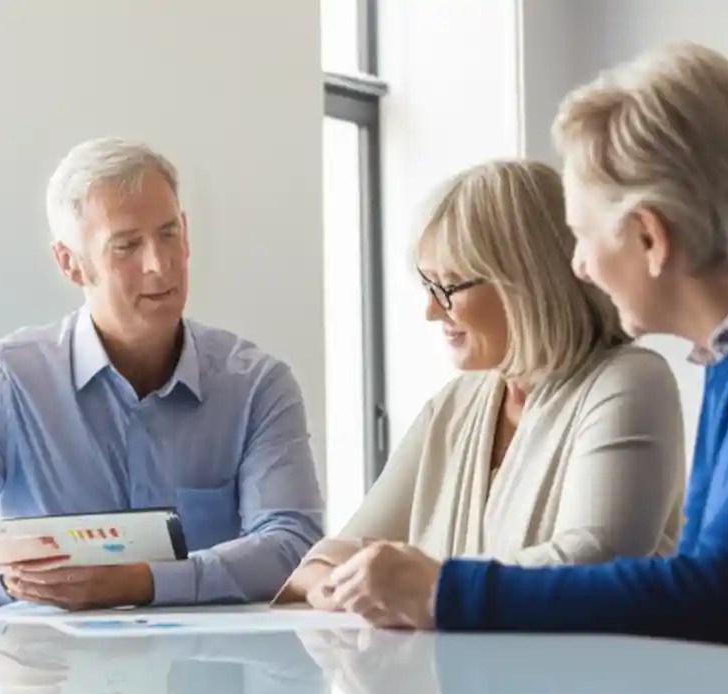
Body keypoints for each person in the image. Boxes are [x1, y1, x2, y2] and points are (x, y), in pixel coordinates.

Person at [322, 44, 728, 667]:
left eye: (582, 237)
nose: (579, 266)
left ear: (649, 237)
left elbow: (715, 595)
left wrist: (445, 592)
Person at [0, 138, 324, 609]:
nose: (159, 263)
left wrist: (142, 583)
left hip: (211, 672)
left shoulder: (257, 386)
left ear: (187, 234)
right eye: (127, 245)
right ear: (70, 262)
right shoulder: (8, 379)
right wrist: (9, 571)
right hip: (54, 673)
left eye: (169, 234)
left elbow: (295, 546)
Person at [275, 160, 685, 607]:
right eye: (428, 284)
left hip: (588, 677)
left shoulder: (629, 382)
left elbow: (594, 563)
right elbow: (333, 556)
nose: (432, 310)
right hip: (466, 676)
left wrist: (427, 587)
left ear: (528, 284)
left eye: (449, 285)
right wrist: (333, 584)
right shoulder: (454, 406)